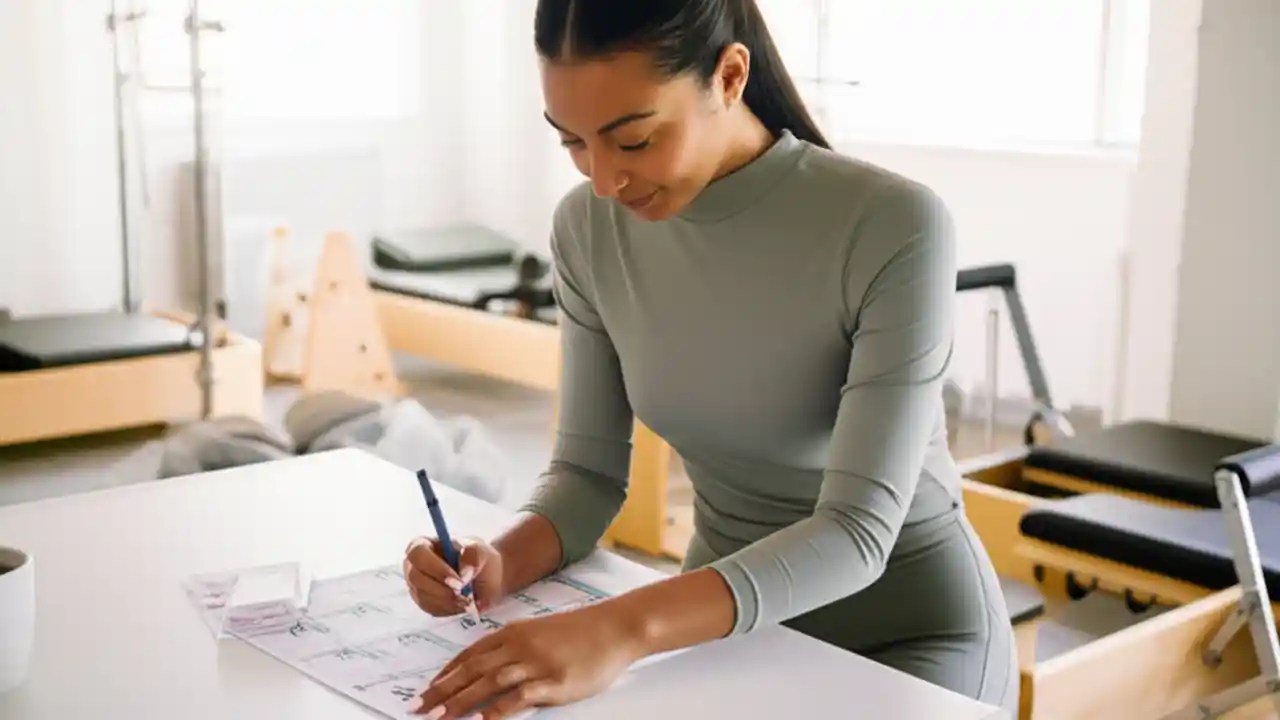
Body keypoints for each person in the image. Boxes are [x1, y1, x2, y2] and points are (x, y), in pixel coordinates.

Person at [402, 1, 1018, 718]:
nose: (603, 180)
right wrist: (500, 562)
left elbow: (855, 531)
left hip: (911, 640)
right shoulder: (587, 228)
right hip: (721, 630)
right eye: (572, 142)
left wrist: (619, 628)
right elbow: (587, 476)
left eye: (632, 139)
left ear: (728, 77)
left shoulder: (891, 224)